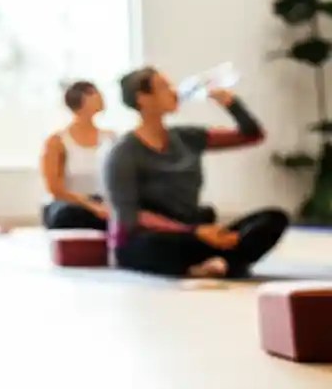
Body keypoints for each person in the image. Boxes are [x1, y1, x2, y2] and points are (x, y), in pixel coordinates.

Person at [103, 67, 290, 278]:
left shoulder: (187, 137)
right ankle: (223, 262)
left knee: (273, 218)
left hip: (193, 231)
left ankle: (215, 264)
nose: (174, 91)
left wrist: (230, 104)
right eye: (164, 87)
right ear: (142, 98)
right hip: (150, 239)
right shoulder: (123, 152)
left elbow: (252, 136)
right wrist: (193, 232)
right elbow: (130, 217)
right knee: (156, 244)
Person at [40, 81, 115, 231]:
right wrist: (91, 206)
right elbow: (55, 188)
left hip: (104, 201)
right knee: (70, 215)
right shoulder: (57, 141)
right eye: (93, 93)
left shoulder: (111, 138)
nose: (101, 96)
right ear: (81, 99)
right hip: (70, 203)